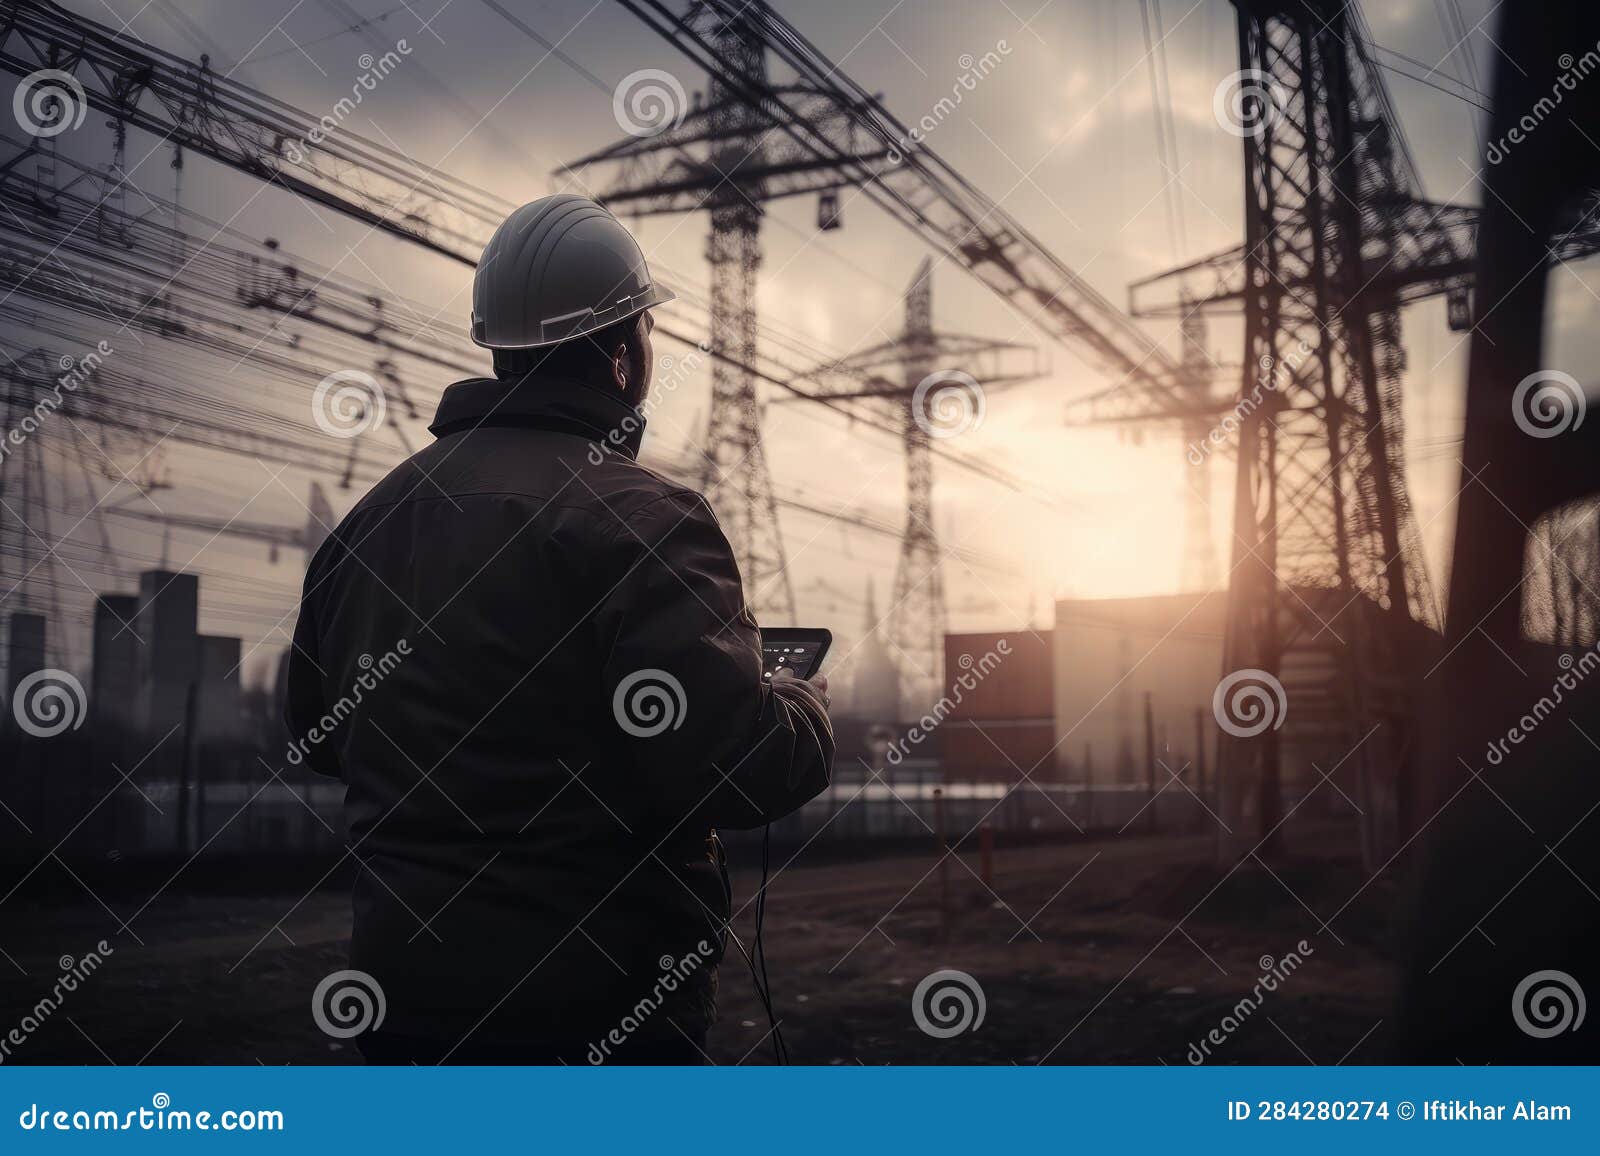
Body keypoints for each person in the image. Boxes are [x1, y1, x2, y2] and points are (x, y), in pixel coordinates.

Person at [285, 194, 834, 1064]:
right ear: (624, 357)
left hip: (403, 1000)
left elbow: (316, 734)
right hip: (599, 1007)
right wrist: (801, 707)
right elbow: (741, 767)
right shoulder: (648, 522)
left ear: (498, 348)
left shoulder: (370, 522)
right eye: (646, 329)